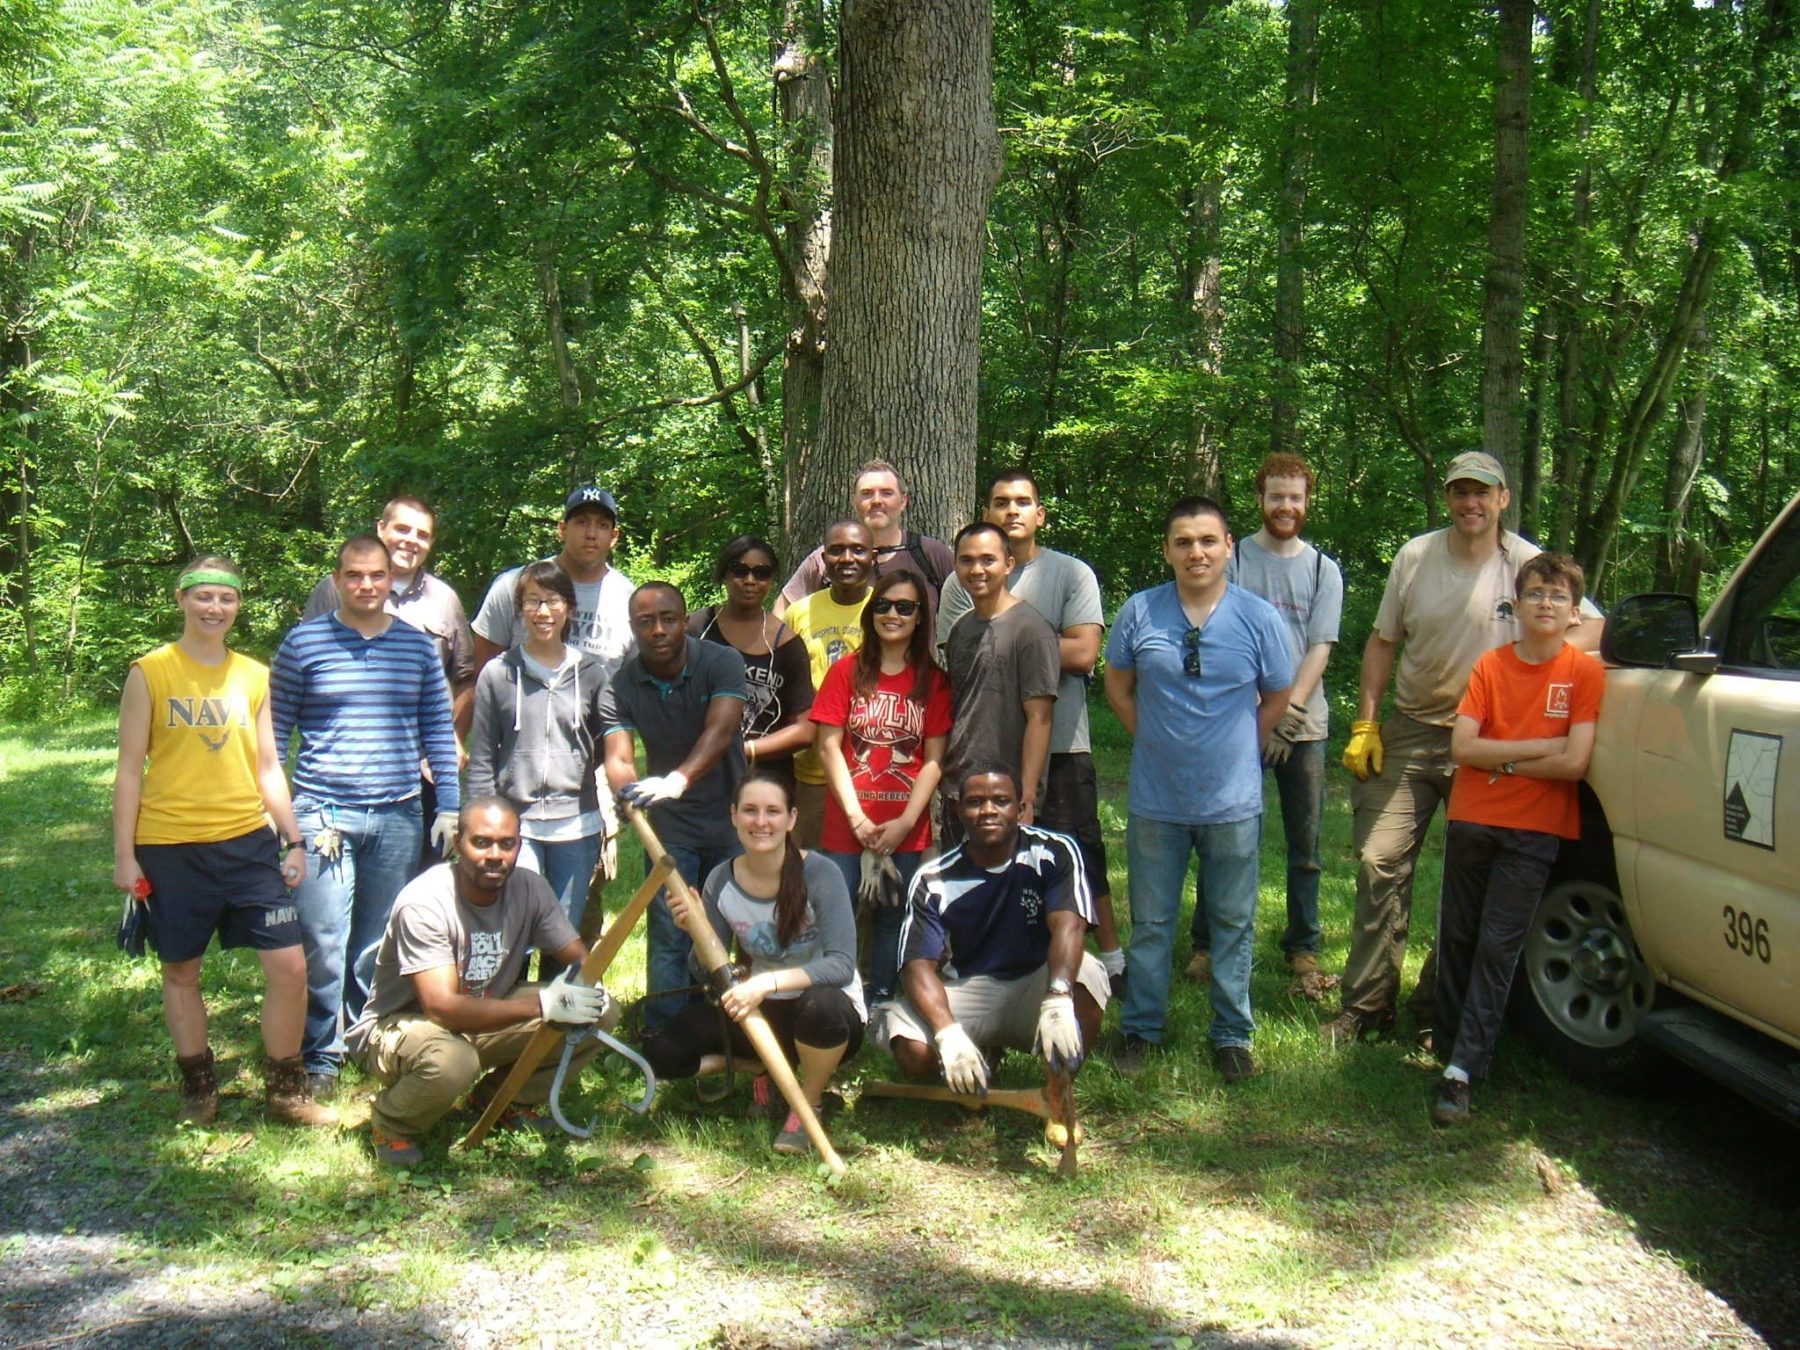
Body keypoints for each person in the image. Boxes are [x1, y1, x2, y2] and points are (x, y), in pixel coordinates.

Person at [1324, 450, 1595, 1045]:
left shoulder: (1527, 565)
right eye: (1460, 492)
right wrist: (1366, 724)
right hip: (1413, 729)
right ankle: (1367, 1005)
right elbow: (1381, 642)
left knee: (1470, 880)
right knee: (1379, 861)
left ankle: (1439, 1007)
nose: (1471, 502)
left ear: (1503, 499)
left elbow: (1591, 626)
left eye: (1484, 492)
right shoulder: (1416, 556)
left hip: (1492, 743)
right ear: (1448, 498)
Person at [111, 555, 329, 1127]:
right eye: (203, 597)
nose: (214, 608)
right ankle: (198, 1085)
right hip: (170, 847)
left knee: (289, 967)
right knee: (181, 971)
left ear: (237, 606)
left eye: (225, 599)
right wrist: (125, 855)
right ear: (181, 599)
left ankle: (286, 1088)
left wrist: (294, 838)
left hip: (246, 844)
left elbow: (268, 765)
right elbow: (130, 768)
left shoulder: (254, 675)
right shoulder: (151, 672)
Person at [1104, 497, 1293, 1081]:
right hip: (1157, 799)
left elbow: (1278, 696)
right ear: (1167, 551)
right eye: (1183, 542)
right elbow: (1118, 688)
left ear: (1229, 546)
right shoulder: (1141, 611)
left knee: (1234, 923)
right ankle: (1141, 1030)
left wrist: (1238, 745)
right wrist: (1155, 740)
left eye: (1208, 540)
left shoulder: (1259, 618)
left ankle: (1232, 1036)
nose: (1196, 552)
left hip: (1232, 800)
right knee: (1153, 923)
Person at [271, 534, 462, 1099]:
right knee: (324, 937)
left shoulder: (415, 648)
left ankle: (366, 1037)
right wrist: (280, 820)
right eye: (354, 575)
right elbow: (275, 737)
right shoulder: (303, 646)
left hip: (399, 813)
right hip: (323, 812)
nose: (366, 586)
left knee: (378, 942)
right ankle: (320, 1055)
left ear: (391, 581)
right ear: (337, 580)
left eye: (376, 576)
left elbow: (438, 732)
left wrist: (448, 806)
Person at [346, 797, 618, 1167]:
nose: (495, 855)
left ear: (519, 845)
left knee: (600, 1012)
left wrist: (588, 982)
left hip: (483, 1013)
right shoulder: (425, 902)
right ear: (459, 842)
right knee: (454, 1060)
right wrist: (543, 1004)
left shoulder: (530, 887)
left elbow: (579, 957)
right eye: (482, 842)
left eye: (507, 844)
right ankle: (391, 1124)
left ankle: (502, 1099)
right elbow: (441, 1008)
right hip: (403, 1028)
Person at [1430, 553, 1602, 1125]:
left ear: (1574, 613)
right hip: (1473, 818)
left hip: (1535, 831)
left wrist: (1499, 761)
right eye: (1535, 594)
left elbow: (1574, 764)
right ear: (1517, 605)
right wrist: (1536, 750)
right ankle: (1449, 1045)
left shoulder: (1583, 672)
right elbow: (1463, 750)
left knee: (1497, 947)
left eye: (1557, 596)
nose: (1545, 604)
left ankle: (1463, 1072)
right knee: (1457, 935)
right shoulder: (1490, 666)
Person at [937, 470, 1124, 987]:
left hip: (1060, 744)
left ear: (1039, 514)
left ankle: (1109, 961)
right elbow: (960, 652)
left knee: (1079, 854)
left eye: (1023, 502)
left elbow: (1084, 651)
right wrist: (1041, 645)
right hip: (981, 749)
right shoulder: (962, 581)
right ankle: (996, 961)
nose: (1012, 510)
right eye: (1001, 502)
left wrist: (1033, 646)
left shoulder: (1071, 575)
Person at [640, 774, 865, 1155]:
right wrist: (695, 929)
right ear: (733, 816)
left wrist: (765, 983)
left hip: (828, 1015)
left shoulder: (821, 874)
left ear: (791, 818)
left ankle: (806, 1104)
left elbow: (841, 965)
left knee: (821, 1005)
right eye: (750, 810)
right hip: (760, 1012)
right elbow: (705, 971)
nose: (761, 822)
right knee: (664, 1052)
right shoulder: (721, 879)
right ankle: (770, 1071)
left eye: (773, 811)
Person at [1188, 454, 1343, 1001]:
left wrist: (1288, 714)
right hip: (1240, 723)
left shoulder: (1325, 568)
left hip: (1305, 728)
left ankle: (1302, 944)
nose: (1286, 506)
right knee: (1223, 836)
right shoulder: (1238, 560)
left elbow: (1320, 646)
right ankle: (1207, 943)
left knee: (1306, 844)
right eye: (1277, 496)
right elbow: (1224, 630)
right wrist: (1262, 716)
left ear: (1307, 502)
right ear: (1260, 498)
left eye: (1295, 497)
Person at [878, 763, 1106, 1123]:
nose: (987, 810)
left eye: (1001, 800)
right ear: (958, 810)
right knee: (912, 1049)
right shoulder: (933, 878)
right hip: (970, 986)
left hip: (1039, 980)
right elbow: (915, 966)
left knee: (1088, 977)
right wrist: (947, 1033)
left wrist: (1059, 996)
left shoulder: (1055, 852)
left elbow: (1070, 926)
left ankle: (1057, 1090)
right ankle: (973, 1073)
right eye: (975, 802)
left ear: (1020, 807)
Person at [472, 485, 635, 939]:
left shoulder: (625, 598)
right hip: (516, 787)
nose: (591, 533)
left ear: (615, 536)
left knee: (577, 918)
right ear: (562, 528)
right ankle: (507, 1006)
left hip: (588, 785)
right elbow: (482, 673)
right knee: (508, 920)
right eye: (581, 522)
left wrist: (624, 787)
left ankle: (569, 1007)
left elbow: (631, 699)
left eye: (602, 524)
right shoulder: (516, 584)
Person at [600, 581, 748, 1028]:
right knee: (670, 930)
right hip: (670, 826)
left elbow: (720, 731)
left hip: (732, 820)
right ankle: (665, 1030)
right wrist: (631, 795)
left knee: (741, 925)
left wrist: (678, 780)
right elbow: (620, 758)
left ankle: (739, 1022)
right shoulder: (620, 686)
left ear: (685, 621)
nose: (659, 629)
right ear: (633, 629)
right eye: (646, 622)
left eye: (668, 619)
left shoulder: (722, 661)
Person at [813, 570, 951, 1001]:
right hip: (846, 823)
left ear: (919, 618)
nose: (893, 614)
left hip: (905, 826)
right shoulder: (845, 672)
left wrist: (906, 822)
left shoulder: (934, 680)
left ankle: (882, 996)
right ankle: (840, 996)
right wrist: (856, 818)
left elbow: (933, 762)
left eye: (905, 607)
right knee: (839, 915)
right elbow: (828, 748)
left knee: (894, 913)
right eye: (884, 605)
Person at [466, 561, 608, 970]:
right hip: (516, 826)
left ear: (568, 607)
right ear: (520, 609)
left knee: (562, 936)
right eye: (533, 602)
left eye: (552, 601)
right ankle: (505, 1024)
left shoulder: (592, 674)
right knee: (512, 930)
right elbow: (482, 756)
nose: (543, 612)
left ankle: (557, 1028)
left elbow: (604, 746)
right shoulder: (497, 673)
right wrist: (478, 821)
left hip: (576, 826)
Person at [302, 494, 476, 733]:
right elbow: (305, 666)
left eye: (422, 535)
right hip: (346, 749)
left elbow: (466, 677)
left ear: (432, 542)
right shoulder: (335, 590)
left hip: (424, 755)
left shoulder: (444, 599)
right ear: (381, 528)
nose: (411, 540)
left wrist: (453, 739)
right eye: (402, 529)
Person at [940, 521, 1059, 832]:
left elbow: (1041, 718)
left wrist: (1028, 796)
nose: (976, 569)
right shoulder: (960, 629)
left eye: (987, 560)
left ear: (1008, 564)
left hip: (1005, 795)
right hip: (959, 787)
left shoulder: (1031, 630)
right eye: (966, 560)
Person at [687, 535, 816, 790]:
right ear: (724, 573)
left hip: (765, 779)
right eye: (739, 570)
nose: (750, 580)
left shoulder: (787, 644)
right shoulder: (697, 628)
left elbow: (805, 730)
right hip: (700, 773)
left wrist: (743, 750)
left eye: (761, 573)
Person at [784, 520, 877, 847]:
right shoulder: (799, 613)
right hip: (811, 770)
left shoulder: (887, 610)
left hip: (871, 770)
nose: (847, 558)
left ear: (873, 557)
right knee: (806, 867)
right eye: (836, 551)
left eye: (858, 550)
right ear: (823, 559)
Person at [774, 460, 955, 616]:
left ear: (903, 501)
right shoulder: (828, 560)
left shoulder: (931, 555)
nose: (876, 500)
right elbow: (780, 615)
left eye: (887, 493)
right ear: (855, 502)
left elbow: (969, 612)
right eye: (867, 493)